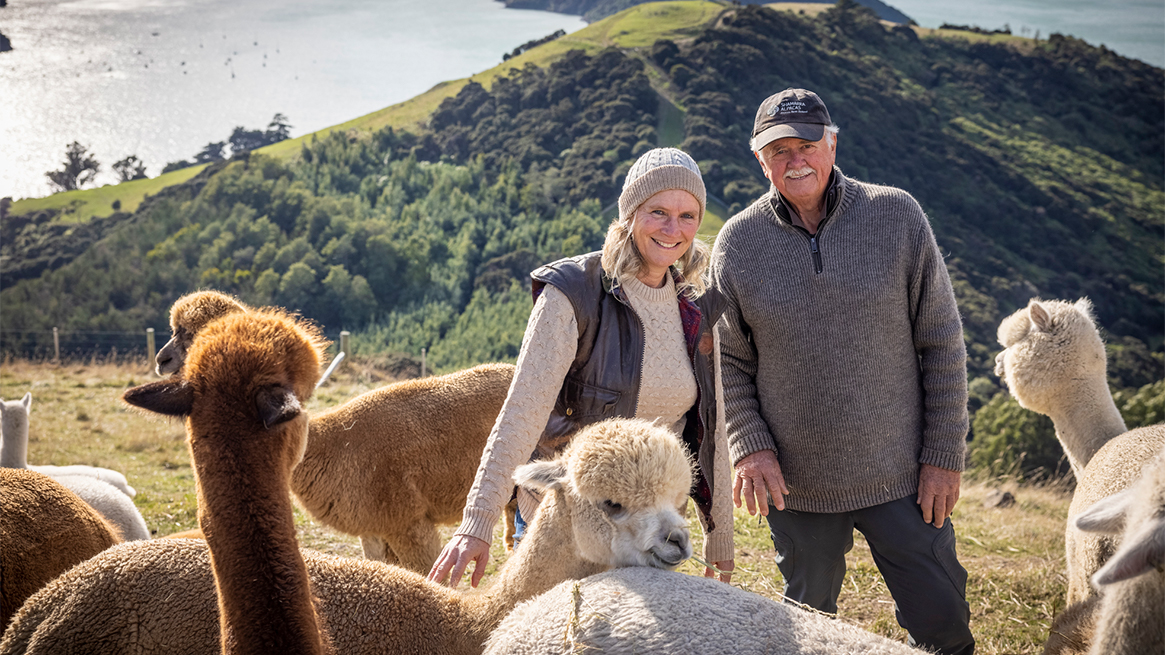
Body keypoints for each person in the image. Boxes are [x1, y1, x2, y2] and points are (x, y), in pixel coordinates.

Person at [710, 88, 975, 655]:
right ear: (760, 159)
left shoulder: (896, 215)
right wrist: (750, 447)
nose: (795, 160)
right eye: (778, 150)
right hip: (797, 487)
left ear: (832, 143)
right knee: (808, 631)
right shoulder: (736, 243)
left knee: (943, 624)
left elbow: (942, 344)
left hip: (902, 478)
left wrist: (943, 456)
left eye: (807, 144)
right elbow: (729, 359)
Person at [427, 148, 735, 589]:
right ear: (629, 214)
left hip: (650, 535)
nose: (673, 229)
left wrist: (718, 537)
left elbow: (710, 430)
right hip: (566, 526)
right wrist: (476, 522)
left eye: (688, 216)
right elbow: (522, 413)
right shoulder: (573, 293)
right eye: (658, 212)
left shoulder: (697, 309)